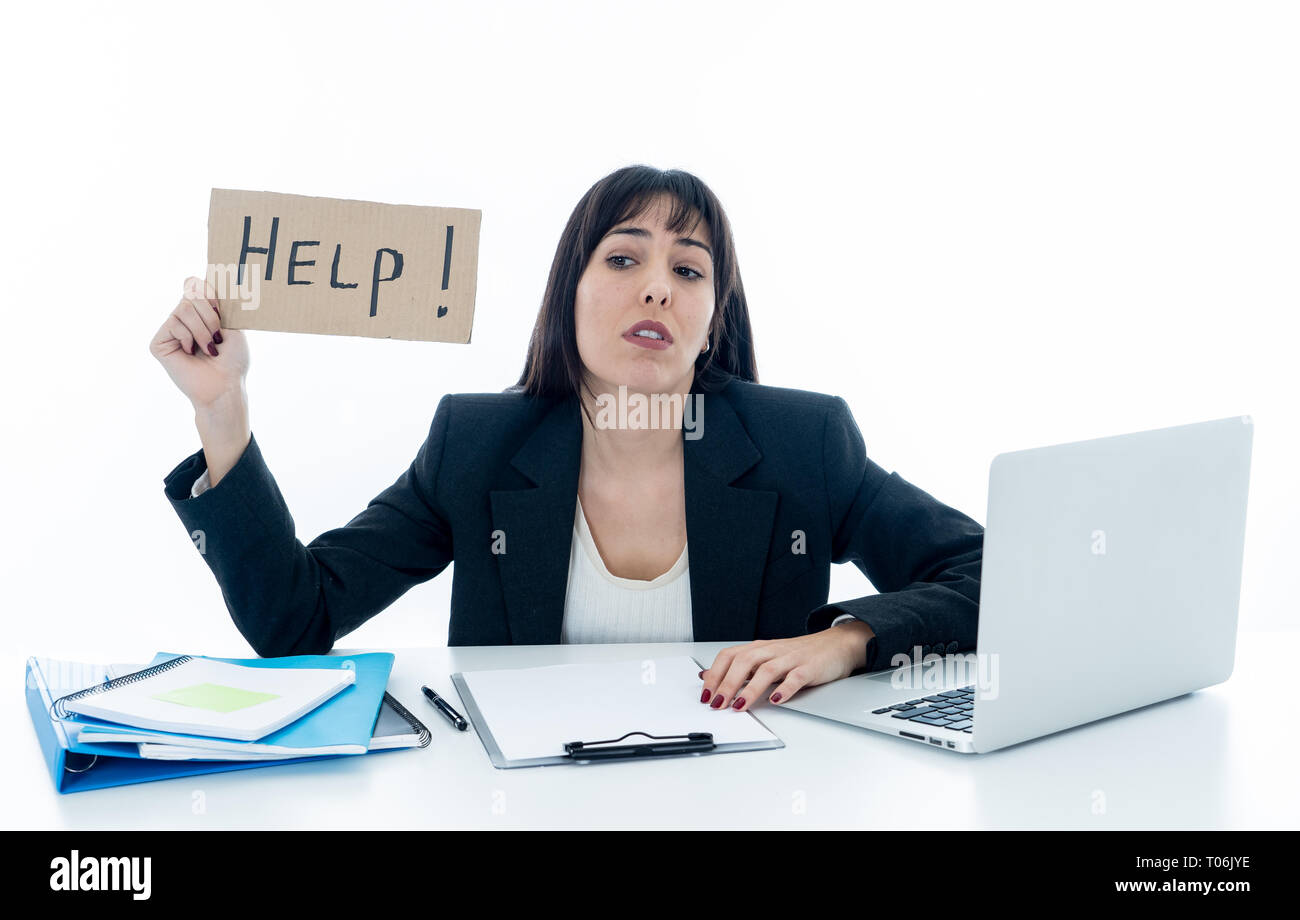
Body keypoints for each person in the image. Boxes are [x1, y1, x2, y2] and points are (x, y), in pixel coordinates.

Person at [149, 165, 983, 713]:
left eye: (689, 271)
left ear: (712, 316)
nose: (657, 287)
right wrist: (223, 410)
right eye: (624, 260)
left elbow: (992, 572)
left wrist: (847, 640)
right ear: (570, 291)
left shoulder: (804, 441)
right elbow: (296, 620)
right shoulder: (474, 446)